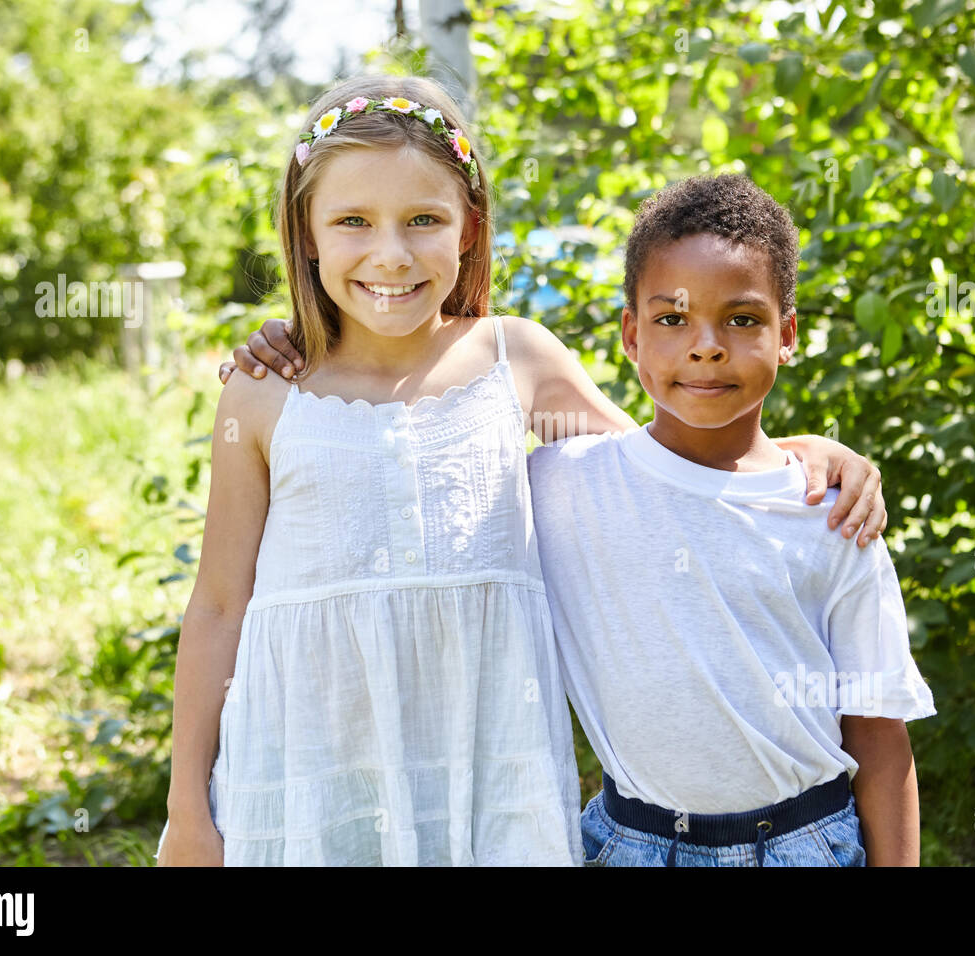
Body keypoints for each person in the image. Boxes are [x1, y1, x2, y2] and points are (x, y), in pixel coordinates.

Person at [194, 75, 888, 866]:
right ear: (306, 232)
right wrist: (188, 807)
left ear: (469, 227)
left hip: (488, 776)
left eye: (424, 219)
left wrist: (800, 454)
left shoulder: (513, 359)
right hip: (311, 774)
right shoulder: (266, 393)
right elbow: (219, 607)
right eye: (353, 220)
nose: (391, 254)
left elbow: (673, 473)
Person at [529, 174, 936, 866]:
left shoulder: (832, 512)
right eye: (672, 319)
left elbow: (877, 732)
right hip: (633, 844)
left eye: (743, 320)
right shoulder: (561, 486)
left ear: (787, 336)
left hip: (806, 843)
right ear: (630, 334)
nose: (707, 346)